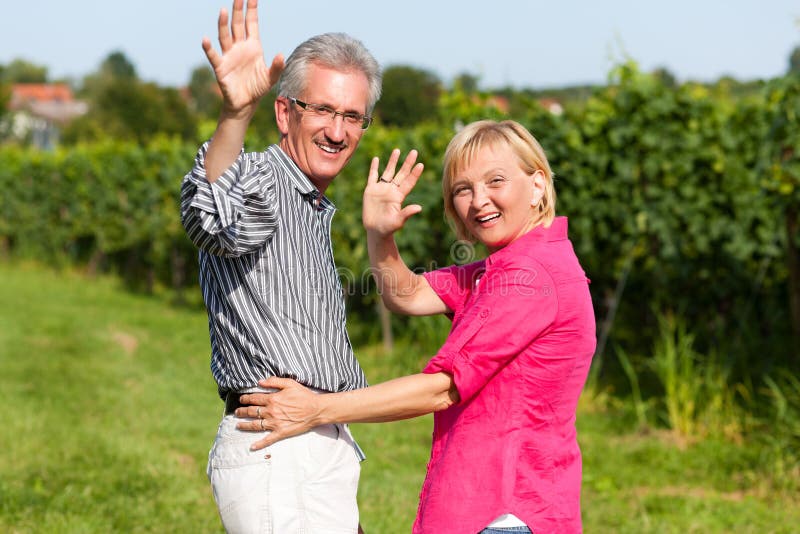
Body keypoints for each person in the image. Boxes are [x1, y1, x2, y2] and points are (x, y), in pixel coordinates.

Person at [236, 120, 597, 533]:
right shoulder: (507, 268)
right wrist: (380, 235)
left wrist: (316, 409)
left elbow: (443, 388)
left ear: (537, 185)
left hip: (503, 512)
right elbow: (407, 294)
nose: (479, 200)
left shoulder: (530, 277)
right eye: (463, 189)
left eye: (495, 180)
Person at [179, 0, 381, 531]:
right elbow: (212, 219)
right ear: (285, 113)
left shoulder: (311, 204)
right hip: (278, 449)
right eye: (323, 110)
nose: (337, 131)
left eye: (352, 116)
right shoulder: (263, 182)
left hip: (318, 447)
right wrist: (235, 114)